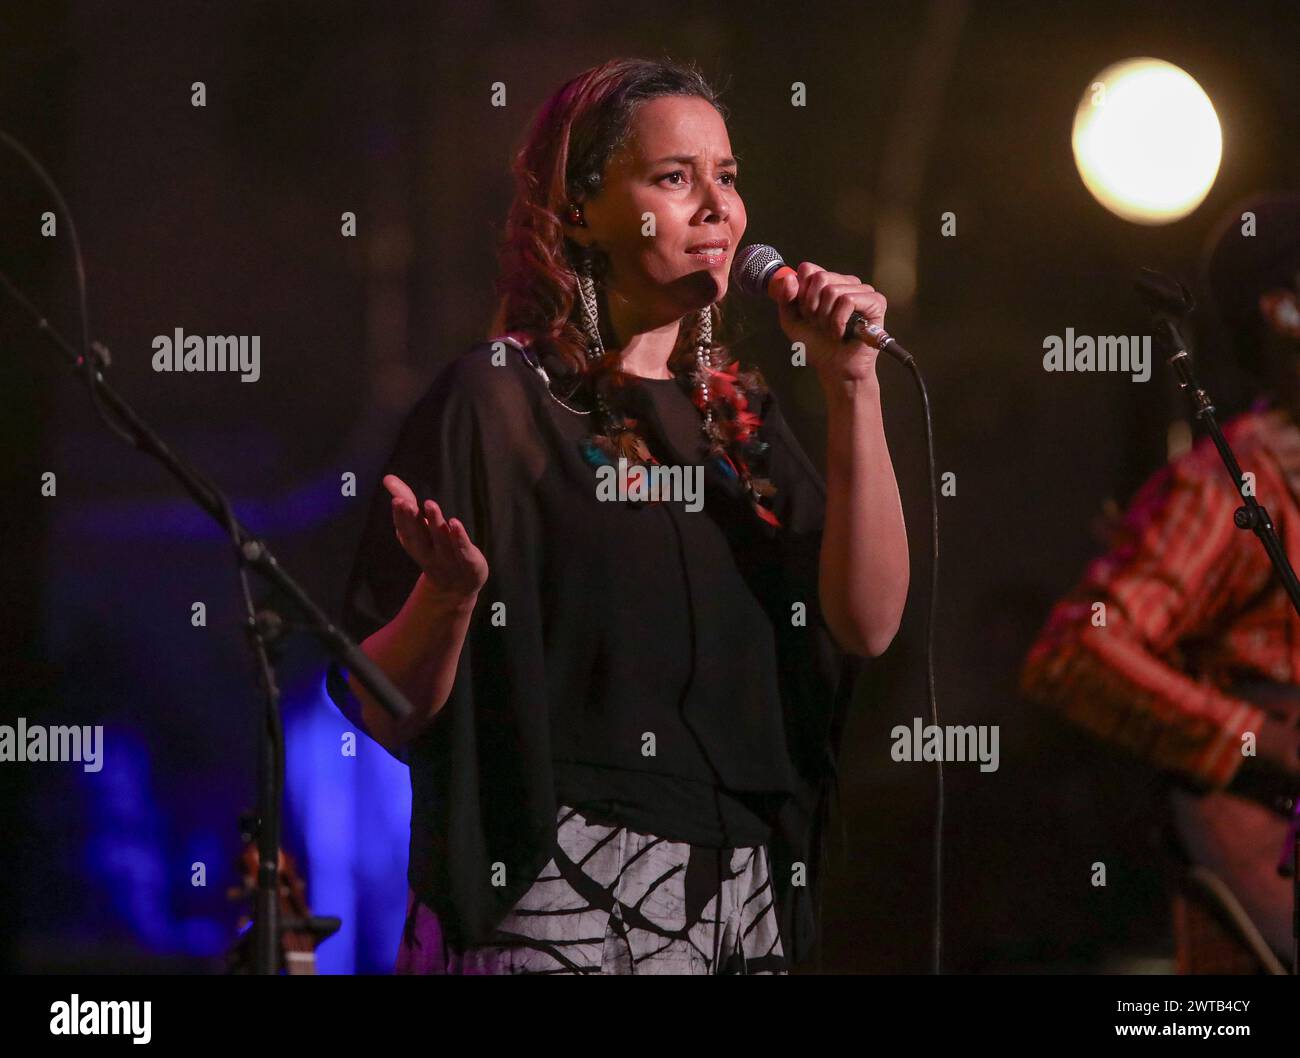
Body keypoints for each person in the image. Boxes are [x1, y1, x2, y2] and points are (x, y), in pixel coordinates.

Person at [327, 57, 909, 974]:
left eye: (727, 176)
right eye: (675, 178)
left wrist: (851, 384)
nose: (717, 207)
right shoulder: (504, 400)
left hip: (742, 895)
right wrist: (447, 597)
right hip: (558, 891)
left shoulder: (739, 421)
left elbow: (868, 624)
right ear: (579, 210)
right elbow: (382, 704)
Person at [1020, 192, 1300, 974]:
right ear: (1283, 314)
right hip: (1267, 857)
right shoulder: (1228, 485)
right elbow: (1078, 650)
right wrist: (1263, 739)